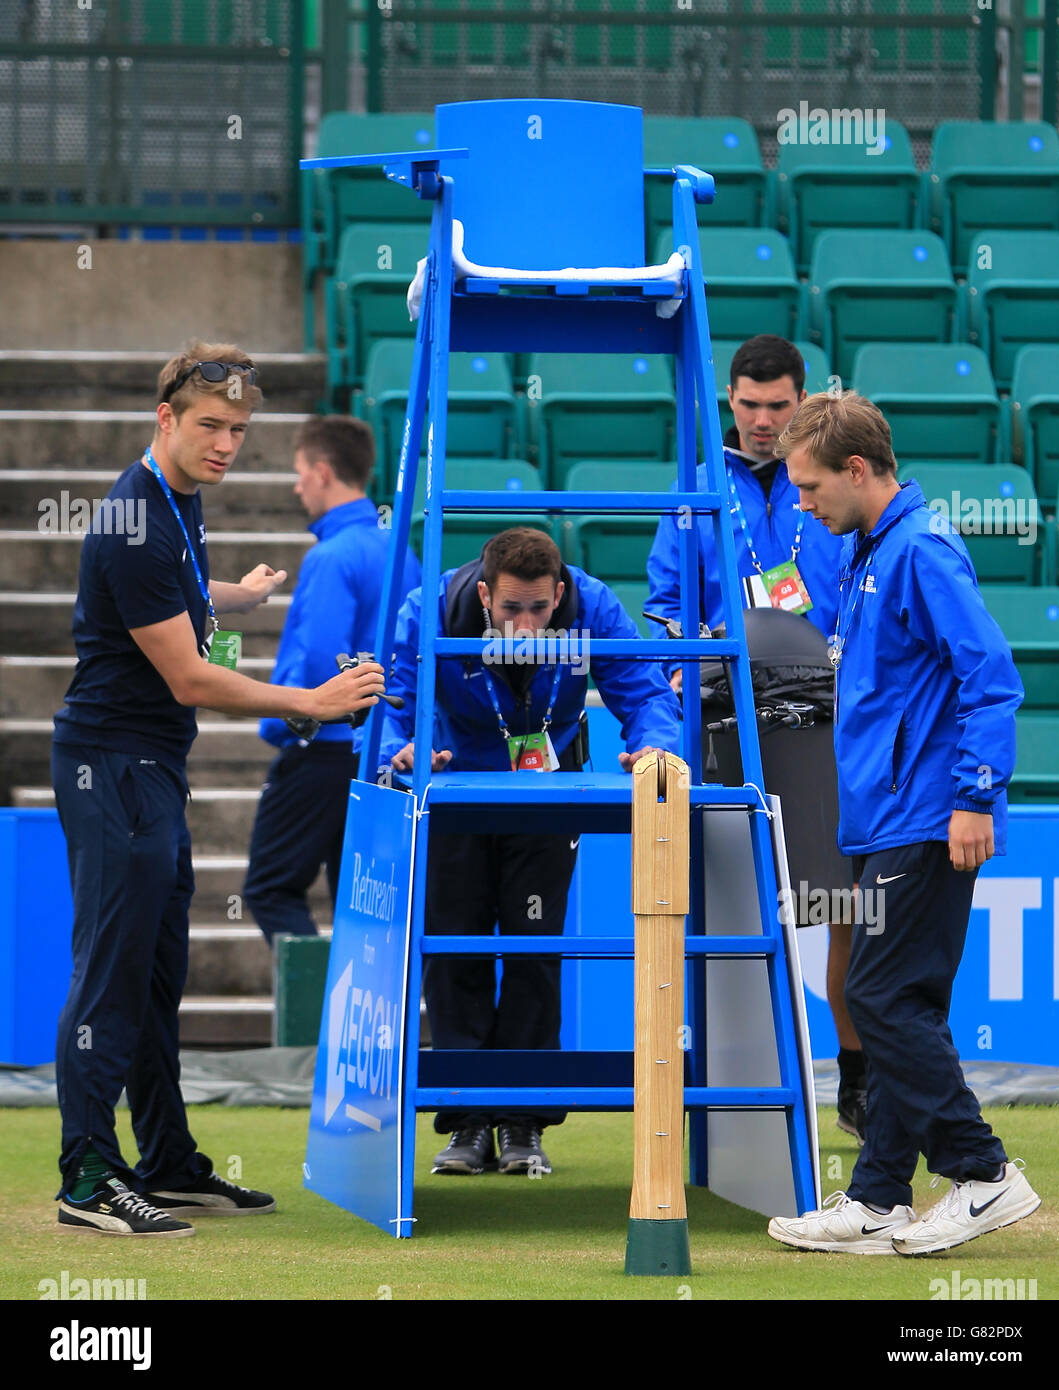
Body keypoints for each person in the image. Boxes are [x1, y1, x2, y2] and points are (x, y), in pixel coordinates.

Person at [50, 341, 385, 1237]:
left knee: (158, 976)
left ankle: (164, 1160)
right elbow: (190, 677)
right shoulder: (135, 517)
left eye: (239, 429)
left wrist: (238, 594)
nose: (227, 443)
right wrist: (307, 699)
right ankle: (86, 1173)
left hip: (150, 770)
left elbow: (179, 598)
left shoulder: (178, 500)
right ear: (166, 419)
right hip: (113, 768)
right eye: (210, 426)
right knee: (111, 976)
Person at [767, 391, 1040, 1256]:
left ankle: (985, 1173)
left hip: (928, 818)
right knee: (897, 1000)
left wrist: (974, 798)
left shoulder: (919, 550)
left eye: (809, 486)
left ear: (856, 470)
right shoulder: (874, 551)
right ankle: (880, 1195)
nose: (800, 503)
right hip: (888, 819)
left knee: (878, 997)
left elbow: (990, 676)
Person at [381, 526, 681, 1177]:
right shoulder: (428, 607)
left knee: (534, 948)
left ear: (562, 592)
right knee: (453, 948)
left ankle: (523, 1122)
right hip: (454, 791)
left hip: (551, 794)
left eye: (539, 610)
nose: (524, 624)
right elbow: (393, 704)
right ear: (484, 593)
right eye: (510, 608)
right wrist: (400, 753)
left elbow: (648, 692)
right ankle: (464, 1121)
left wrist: (656, 745)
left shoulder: (595, 605)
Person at [646, 334, 867, 1144]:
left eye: (781, 405)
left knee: (844, 900)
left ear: (805, 401)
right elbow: (664, 604)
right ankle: (742, 1084)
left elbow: (865, 594)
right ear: (729, 401)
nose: (765, 420)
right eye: (751, 404)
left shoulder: (835, 487)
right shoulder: (698, 485)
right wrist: (686, 653)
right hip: (732, 715)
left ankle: (856, 1071)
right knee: (742, 899)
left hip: (833, 716)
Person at [244, 416, 420, 944]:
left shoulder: (329, 557)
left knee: (270, 888)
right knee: (362, 899)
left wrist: (286, 730)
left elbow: (323, 659)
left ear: (322, 472)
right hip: (380, 753)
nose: (297, 486)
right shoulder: (402, 552)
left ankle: (312, 1017)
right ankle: (353, 1018)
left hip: (321, 747)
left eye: (300, 473)